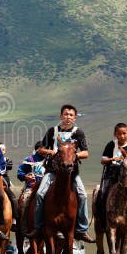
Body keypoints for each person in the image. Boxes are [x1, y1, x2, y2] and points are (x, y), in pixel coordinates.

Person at [29, 104, 95, 242]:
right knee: (40, 194)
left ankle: (82, 229)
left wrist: (75, 156)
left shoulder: (78, 133)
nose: (68, 117)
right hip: (53, 171)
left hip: (72, 173)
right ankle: (38, 226)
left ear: (75, 117)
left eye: (71, 115)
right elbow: (40, 149)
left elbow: (86, 152)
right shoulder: (52, 131)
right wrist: (50, 151)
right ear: (61, 116)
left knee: (82, 195)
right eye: (65, 114)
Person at [96, 123, 127, 234]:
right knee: (101, 194)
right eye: (119, 133)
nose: (122, 136)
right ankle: (102, 222)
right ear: (115, 134)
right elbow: (102, 160)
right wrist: (112, 159)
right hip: (110, 176)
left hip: (125, 179)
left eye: (124, 133)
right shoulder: (111, 145)